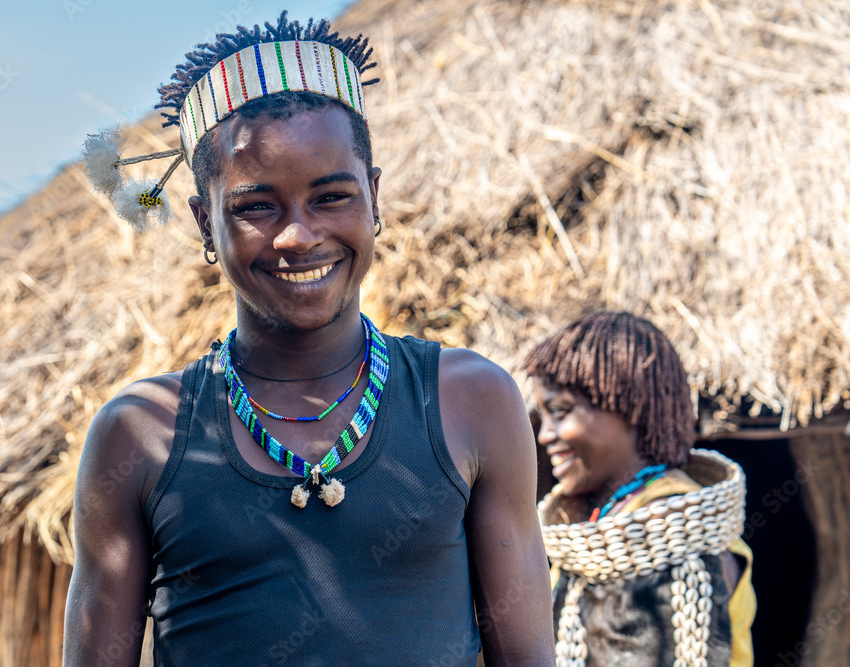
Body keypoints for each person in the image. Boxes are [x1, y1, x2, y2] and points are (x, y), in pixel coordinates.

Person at [63, 13, 554, 666]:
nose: (298, 234)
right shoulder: (139, 435)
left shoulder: (473, 402)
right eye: (256, 207)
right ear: (204, 224)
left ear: (374, 198)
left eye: (331, 197)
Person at [524, 311, 755, 667]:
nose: (545, 435)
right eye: (543, 416)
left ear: (627, 404)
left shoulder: (675, 538)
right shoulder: (605, 520)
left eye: (561, 411)